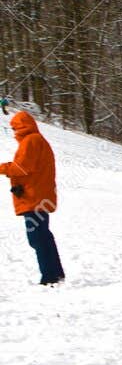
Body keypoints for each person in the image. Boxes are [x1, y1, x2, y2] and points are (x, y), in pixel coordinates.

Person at [2, 111, 65, 286]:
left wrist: (3, 168)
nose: (14, 131)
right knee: (43, 236)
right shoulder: (38, 140)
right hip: (39, 196)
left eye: (15, 127)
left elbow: (22, 167)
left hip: (34, 197)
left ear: (22, 126)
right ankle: (56, 273)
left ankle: (49, 277)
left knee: (37, 238)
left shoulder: (31, 141)